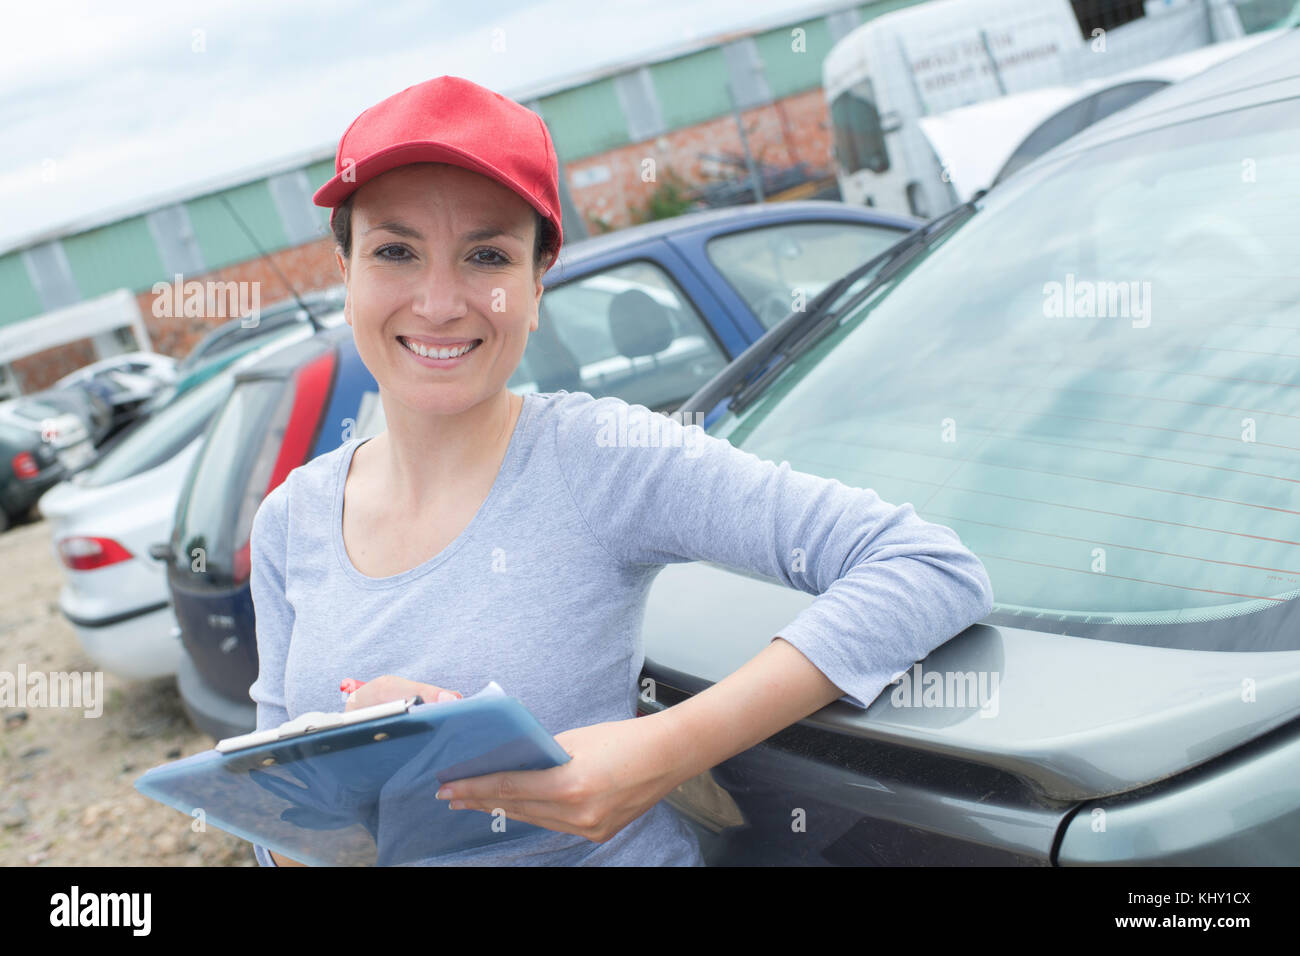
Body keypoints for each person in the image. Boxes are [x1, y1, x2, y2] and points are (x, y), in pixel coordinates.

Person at [247, 74, 994, 866]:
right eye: (396, 251)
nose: (437, 302)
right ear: (347, 273)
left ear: (535, 287)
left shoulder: (601, 459)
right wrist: (363, 759)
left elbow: (927, 567)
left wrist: (666, 751)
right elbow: (274, 823)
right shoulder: (290, 522)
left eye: (487, 256)